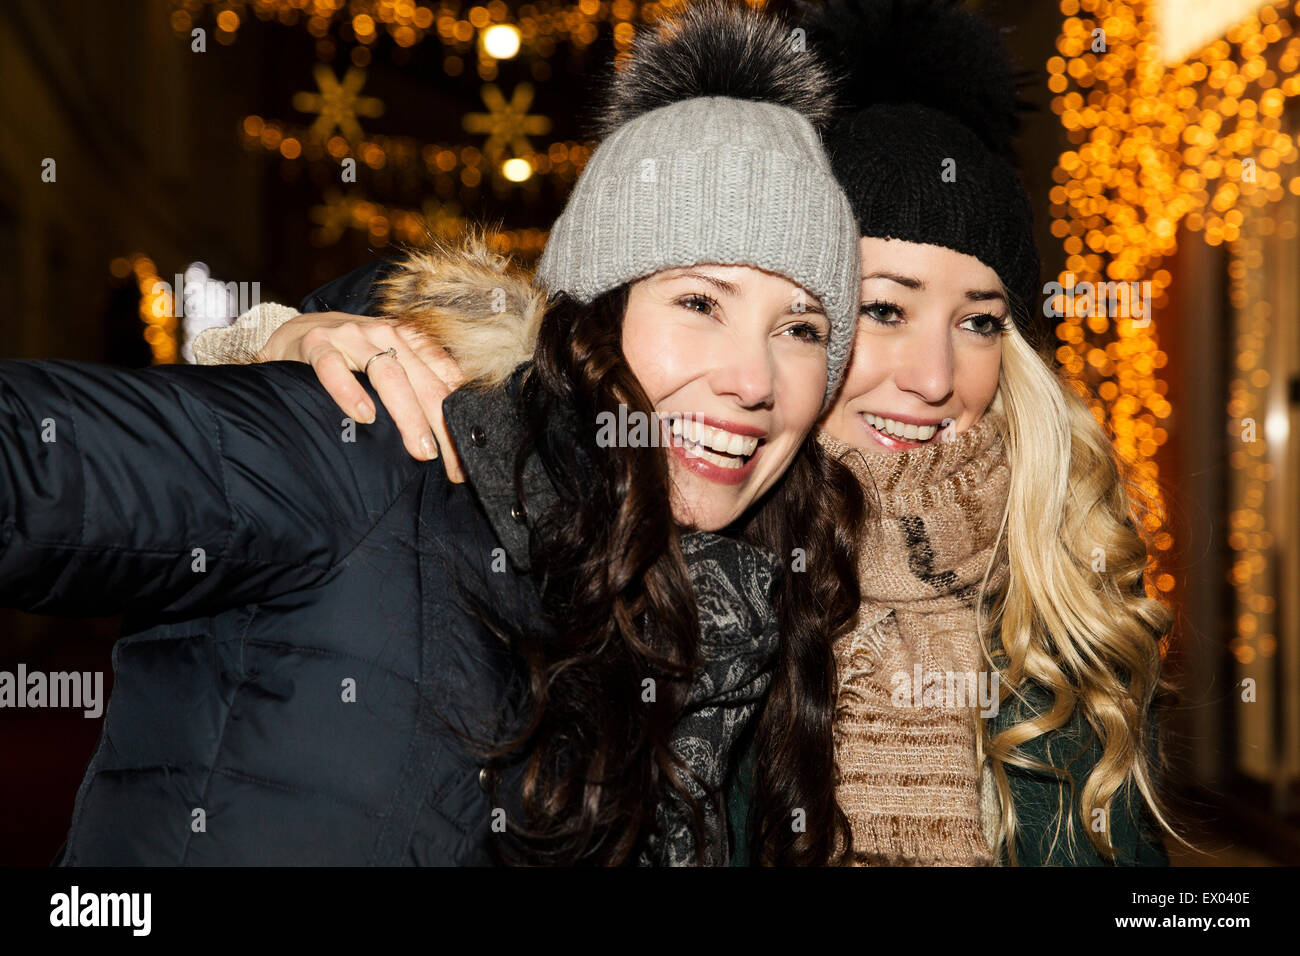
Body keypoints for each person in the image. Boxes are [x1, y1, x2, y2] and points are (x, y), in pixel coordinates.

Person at [0, 0, 863, 866]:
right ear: (592, 318)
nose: (754, 380)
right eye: (699, 303)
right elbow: (38, 468)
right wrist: (263, 347)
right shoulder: (376, 446)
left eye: (802, 328)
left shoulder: (763, 612)